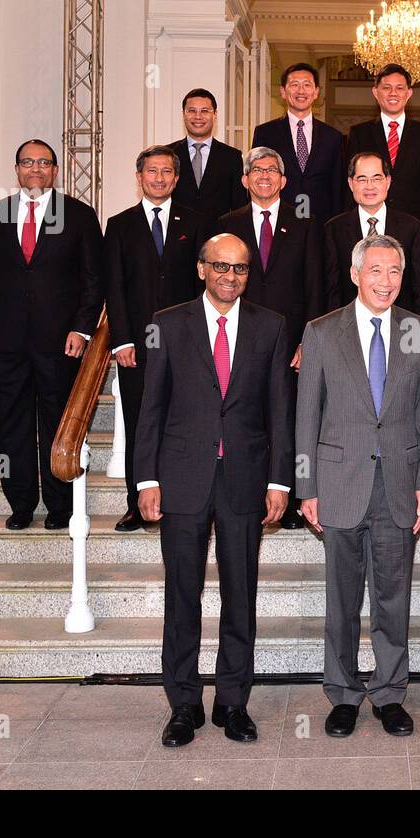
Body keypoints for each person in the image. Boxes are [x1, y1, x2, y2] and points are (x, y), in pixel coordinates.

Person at [135, 233, 294, 748]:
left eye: (240, 268)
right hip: (182, 477)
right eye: (221, 266)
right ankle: (184, 703)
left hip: (245, 477)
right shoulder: (167, 324)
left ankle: (232, 702)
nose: (230, 276)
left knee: (239, 593)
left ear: (249, 274)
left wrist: (279, 479)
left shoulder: (271, 326)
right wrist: (147, 478)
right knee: (182, 594)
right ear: (201, 269)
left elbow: (279, 410)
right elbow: (151, 407)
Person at [296, 234, 420, 740]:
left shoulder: (418, 332)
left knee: (392, 599)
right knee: (341, 600)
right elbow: (306, 416)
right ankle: (342, 694)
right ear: (356, 274)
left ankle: (389, 693)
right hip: (338, 483)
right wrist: (306, 486)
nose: (386, 281)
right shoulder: (321, 332)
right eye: (376, 271)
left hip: (399, 485)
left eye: (395, 271)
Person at [0, 138, 103, 532]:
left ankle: (60, 505)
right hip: (6, 340)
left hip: (61, 341)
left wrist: (82, 328)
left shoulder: (79, 215)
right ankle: (21, 503)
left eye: (44, 162)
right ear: (17, 169)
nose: (36, 169)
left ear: (55, 170)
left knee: (57, 419)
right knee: (11, 422)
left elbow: (94, 280)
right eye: (28, 162)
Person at [214, 147, 325, 530]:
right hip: (239, 338)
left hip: (291, 343)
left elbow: (315, 286)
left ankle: (288, 498)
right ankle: (246, 491)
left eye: (272, 170)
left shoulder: (305, 223)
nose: (264, 175)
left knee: (287, 419)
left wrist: (308, 340)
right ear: (245, 180)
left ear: (284, 179)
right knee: (246, 416)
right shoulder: (227, 224)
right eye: (257, 170)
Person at [103, 144, 208, 532]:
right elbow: (113, 287)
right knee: (139, 423)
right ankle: (136, 503)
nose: (159, 178)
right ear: (139, 177)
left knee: (183, 424)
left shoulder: (196, 222)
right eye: (152, 171)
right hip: (136, 346)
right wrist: (121, 340)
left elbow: (203, 285)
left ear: (176, 179)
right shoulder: (119, 225)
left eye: (166, 172)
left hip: (185, 344)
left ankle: (179, 501)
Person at [344, 64, 420, 252]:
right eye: (386, 88)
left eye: (399, 88)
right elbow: (350, 185)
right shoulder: (359, 134)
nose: (393, 93)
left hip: (413, 228)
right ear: (375, 92)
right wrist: (350, 226)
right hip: (369, 225)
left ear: (409, 93)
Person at [323, 152, 420, 314]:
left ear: (387, 182)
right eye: (362, 179)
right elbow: (332, 288)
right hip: (351, 323)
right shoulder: (334, 229)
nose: (370, 186)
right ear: (351, 184)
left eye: (376, 179)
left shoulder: (411, 227)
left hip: (400, 323)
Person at [250, 62, 345, 227]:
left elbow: (338, 186)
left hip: (321, 222)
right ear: (283, 91)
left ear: (316, 92)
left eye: (307, 85)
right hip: (277, 220)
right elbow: (256, 177)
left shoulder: (333, 136)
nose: (301, 91)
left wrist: (336, 226)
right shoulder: (265, 133)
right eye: (294, 85)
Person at [168, 88, 249, 224]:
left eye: (204, 111)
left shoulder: (232, 157)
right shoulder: (168, 154)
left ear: (215, 114)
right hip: (176, 233)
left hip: (218, 233)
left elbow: (239, 206)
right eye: (192, 111)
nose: (198, 116)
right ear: (183, 114)